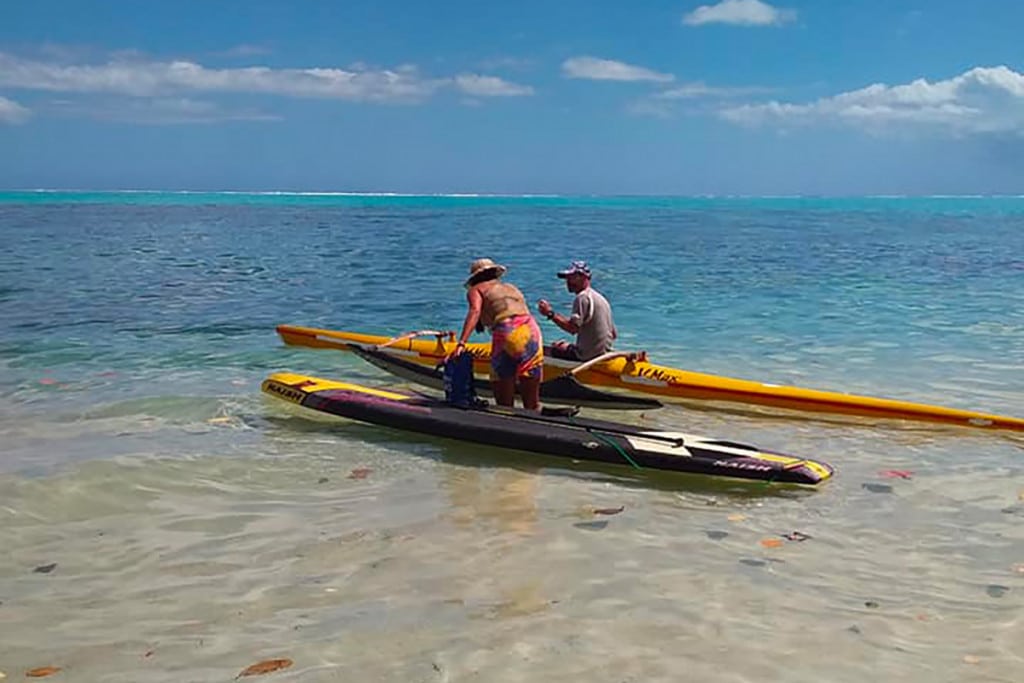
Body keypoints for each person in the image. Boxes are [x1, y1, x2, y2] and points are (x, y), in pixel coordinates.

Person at [451, 258, 543, 410]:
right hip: (531, 331)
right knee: (532, 403)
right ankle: (535, 427)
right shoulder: (510, 287)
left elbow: (475, 311)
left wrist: (462, 343)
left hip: (508, 332)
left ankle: (506, 424)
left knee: (504, 401)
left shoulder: (476, 289)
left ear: (475, 277)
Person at [536, 260, 617, 361]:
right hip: (604, 354)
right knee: (562, 345)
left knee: (548, 350)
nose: (568, 282)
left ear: (584, 277)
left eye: (573, 277)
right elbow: (613, 334)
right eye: (567, 278)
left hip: (587, 357)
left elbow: (572, 329)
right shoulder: (602, 299)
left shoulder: (582, 298)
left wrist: (550, 313)